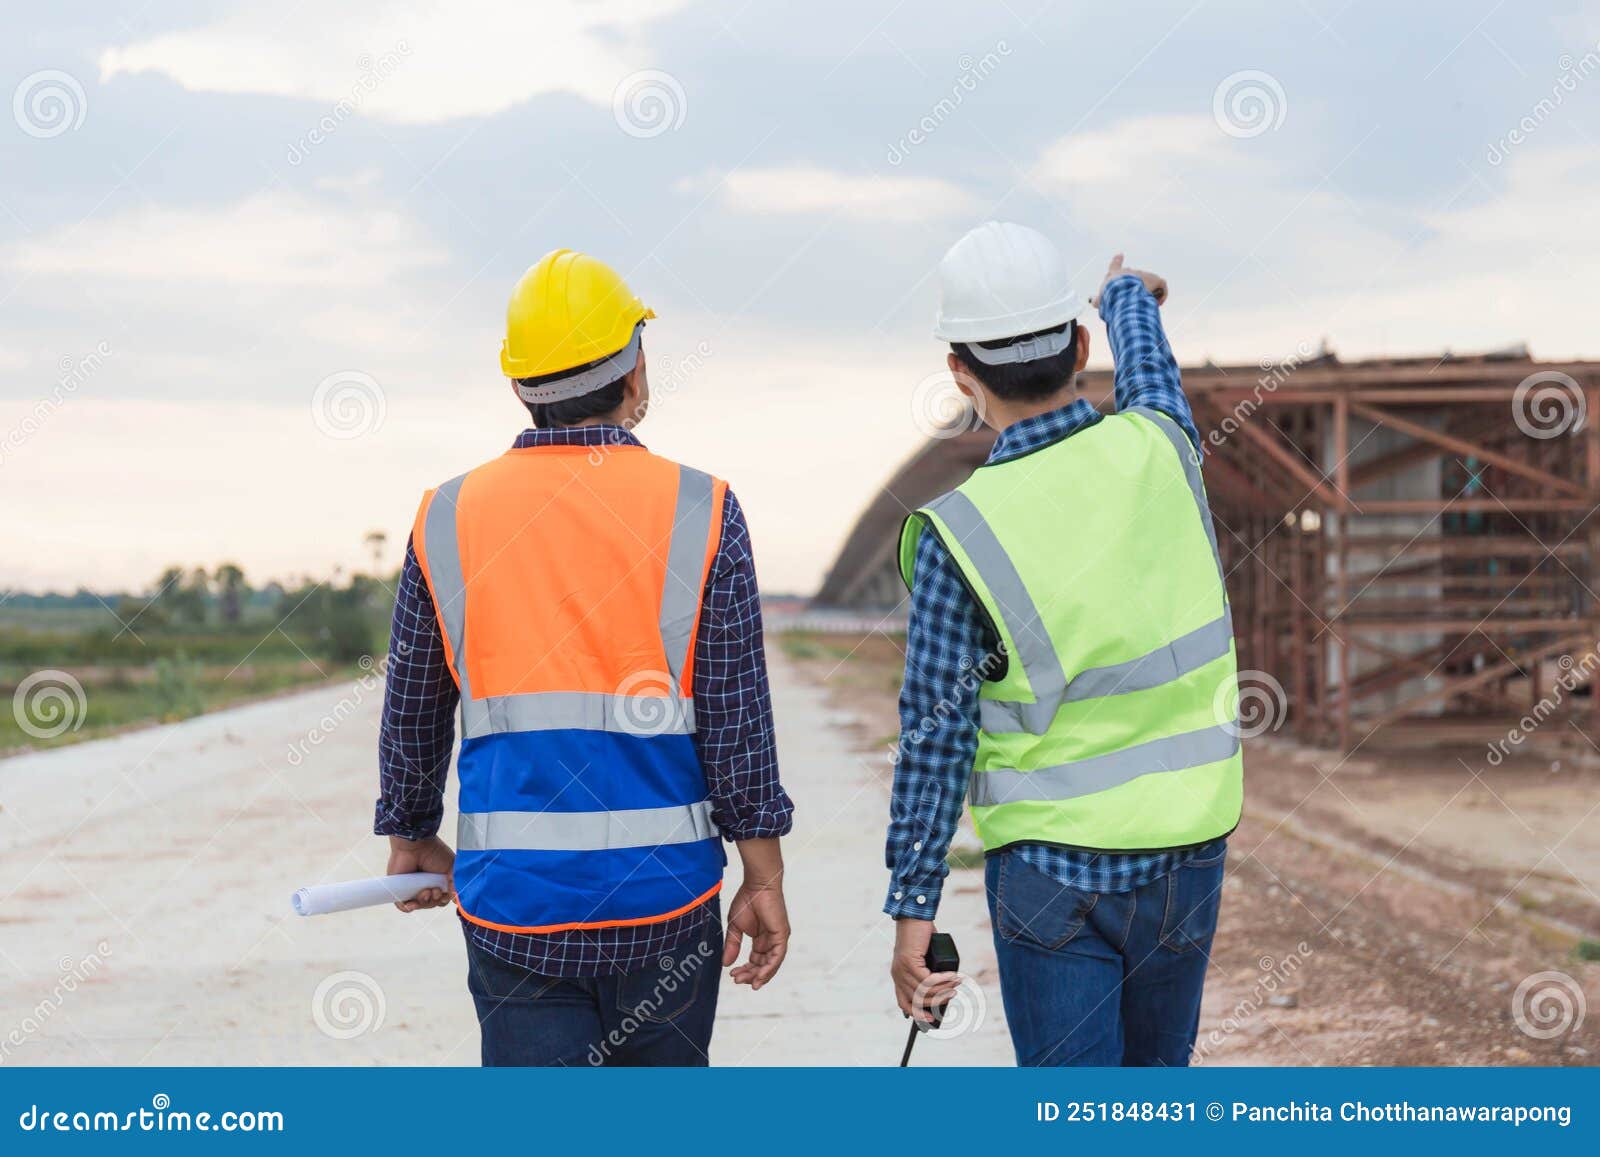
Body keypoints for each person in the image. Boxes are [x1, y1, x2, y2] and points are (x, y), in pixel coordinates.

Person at [375, 248, 794, 1066]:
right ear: (637, 372)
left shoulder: (448, 513)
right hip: (666, 901)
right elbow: (737, 717)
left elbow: (415, 701)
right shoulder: (701, 507)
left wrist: (410, 830)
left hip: (514, 904)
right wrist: (765, 874)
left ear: (517, 385)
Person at [884, 222, 1243, 1066]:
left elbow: (936, 738)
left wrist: (914, 911)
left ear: (959, 374)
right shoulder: (1161, 446)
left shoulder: (956, 532)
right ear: (1081, 346)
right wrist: (1127, 298)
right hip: (1185, 854)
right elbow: (1153, 372)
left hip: (1051, 875)